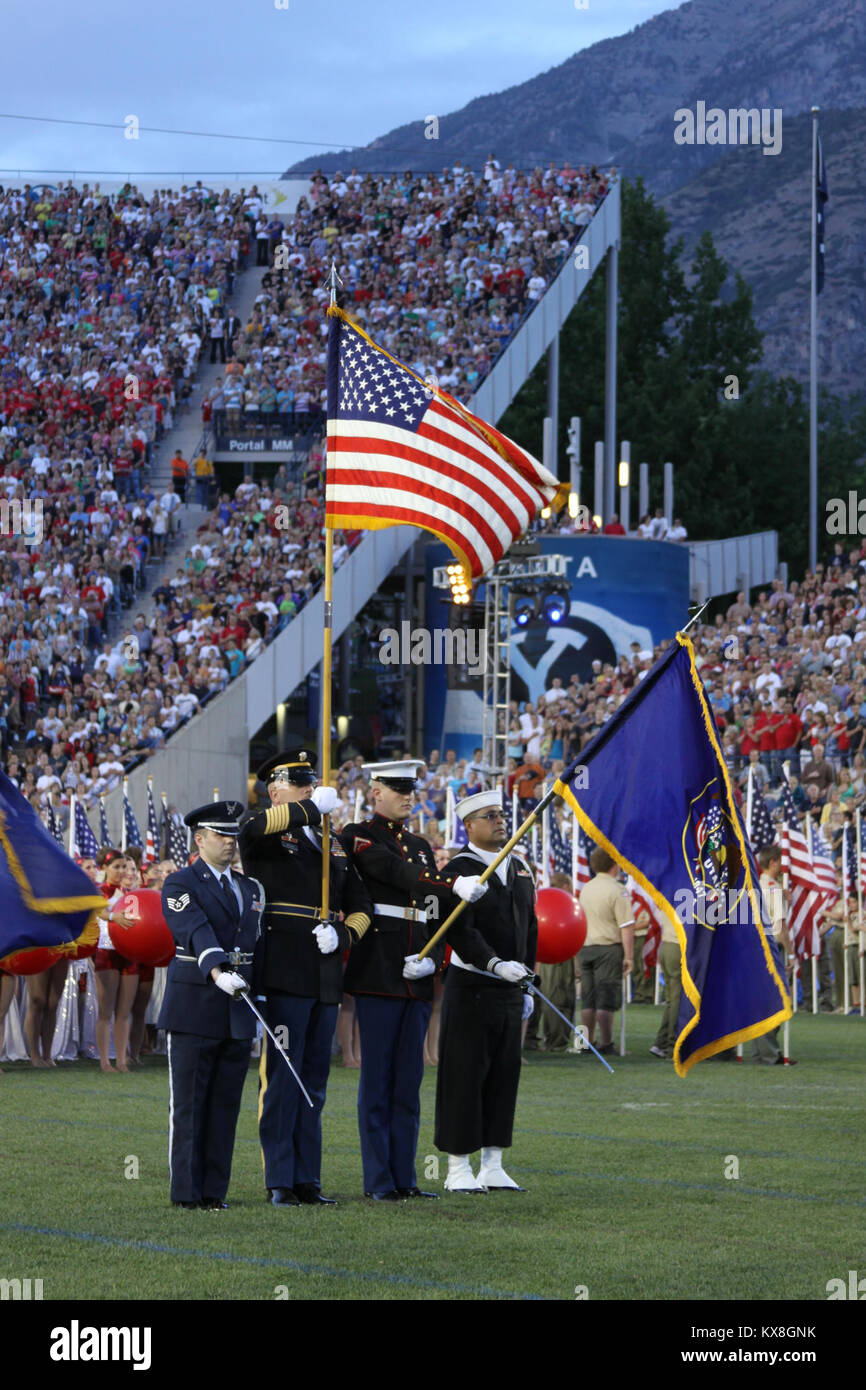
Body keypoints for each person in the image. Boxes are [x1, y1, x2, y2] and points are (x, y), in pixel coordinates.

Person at [342, 761, 487, 1201]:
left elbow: (427, 902)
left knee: (408, 1084)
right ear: (375, 793)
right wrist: (455, 881)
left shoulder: (421, 846)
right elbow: (394, 874)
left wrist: (435, 955)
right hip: (380, 970)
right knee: (378, 1084)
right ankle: (379, 1181)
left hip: (417, 971)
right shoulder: (358, 835)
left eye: (411, 789)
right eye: (398, 788)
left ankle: (404, 1178)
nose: (407, 796)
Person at [239, 749, 372, 1208]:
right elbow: (250, 830)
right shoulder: (266, 831)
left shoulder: (330, 840)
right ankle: (279, 1177)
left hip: (324, 970)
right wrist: (309, 809)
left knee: (314, 1079)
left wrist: (342, 933)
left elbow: (362, 906)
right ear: (275, 790)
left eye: (312, 786)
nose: (310, 792)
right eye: (300, 786)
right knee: (282, 1075)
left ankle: (306, 1179)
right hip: (284, 965)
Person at [158, 800, 263, 1209]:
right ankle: (186, 1193)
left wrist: (260, 995)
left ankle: (214, 1192)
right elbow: (194, 930)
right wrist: (219, 971)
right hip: (195, 1003)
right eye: (221, 835)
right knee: (189, 1104)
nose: (230, 842)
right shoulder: (180, 883)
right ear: (199, 839)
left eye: (233, 835)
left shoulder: (250, 888)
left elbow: (256, 944)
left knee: (224, 1106)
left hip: (237, 1007)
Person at [435, 790, 537, 1192]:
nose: (499, 820)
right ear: (469, 826)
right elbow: (459, 930)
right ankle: (458, 1166)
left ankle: (493, 1162)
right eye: (489, 816)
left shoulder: (520, 867)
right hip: (473, 984)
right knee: (464, 1075)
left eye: (500, 814)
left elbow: (530, 927)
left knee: (503, 1075)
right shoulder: (459, 870)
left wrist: (529, 980)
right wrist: (493, 963)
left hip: (511, 987)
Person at [577, 847, 635, 1056]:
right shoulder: (617, 889)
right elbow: (626, 926)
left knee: (588, 999)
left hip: (585, 946)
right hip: (608, 948)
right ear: (614, 865)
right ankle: (606, 1043)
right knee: (606, 998)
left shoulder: (586, 888)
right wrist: (629, 956)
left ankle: (585, 1043)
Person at [92, 847, 139, 1073]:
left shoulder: (132, 893)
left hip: (129, 954)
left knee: (124, 1011)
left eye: (124, 867)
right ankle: (104, 1061)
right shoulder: (100, 891)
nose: (122, 871)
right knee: (106, 1010)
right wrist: (113, 916)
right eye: (117, 867)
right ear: (104, 868)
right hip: (107, 952)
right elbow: (99, 911)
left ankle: (121, 1060)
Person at [750, 845, 796, 1064]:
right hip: (772, 947)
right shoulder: (774, 889)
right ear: (773, 862)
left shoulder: (755, 885)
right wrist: (791, 953)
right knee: (776, 1000)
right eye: (780, 862)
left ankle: (761, 1050)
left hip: (755, 947)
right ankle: (769, 1052)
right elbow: (781, 927)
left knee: (761, 1000)